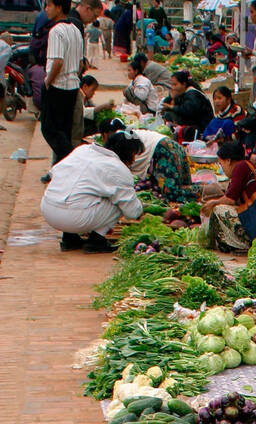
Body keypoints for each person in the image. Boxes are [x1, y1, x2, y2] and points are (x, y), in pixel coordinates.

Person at [41, 127, 144, 252]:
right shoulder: (118, 168)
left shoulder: (83, 149)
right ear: (128, 153)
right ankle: (96, 240)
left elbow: (53, 174)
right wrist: (142, 208)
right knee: (119, 201)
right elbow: (132, 212)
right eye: (134, 155)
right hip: (74, 217)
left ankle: (69, 238)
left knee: (79, 191)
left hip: (48, 209)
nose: (133, 161)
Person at [41, 0, 85, 175]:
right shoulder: (75, 30)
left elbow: (57, 61)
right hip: (72, 86)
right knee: (64, 131)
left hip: (58, 86)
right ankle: (59, 171)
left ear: (59, 8)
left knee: (49, 128)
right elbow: (81, 63)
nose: (46, 10)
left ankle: (72, 161)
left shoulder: (56, 31)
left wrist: (48, 81)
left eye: (49, 6)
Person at [129, 124, 197, 202]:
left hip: (164, 150)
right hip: (169, 146)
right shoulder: (122, 136)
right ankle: (207, 189)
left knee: (171, 192)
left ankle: (210, 190)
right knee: (183, 185)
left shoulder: (118, 142)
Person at [160, 68, 213, 137]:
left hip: (201, 124)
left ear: (184, 84)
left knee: (171, 114)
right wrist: (171, 98)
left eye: (175, 85)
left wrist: (172, 106)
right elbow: (165, 105)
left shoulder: (193, 94)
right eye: (172, 85)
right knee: (167, 114)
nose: (173, 87)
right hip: (192, 120)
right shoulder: (179, 92)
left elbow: (189, 111)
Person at [71, 72, 99, 144]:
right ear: (85, 87)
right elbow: (83, 112)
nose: (93, 93)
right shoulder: (78, 96)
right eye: (93, 90)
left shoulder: (87, 99)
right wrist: (102, 107)